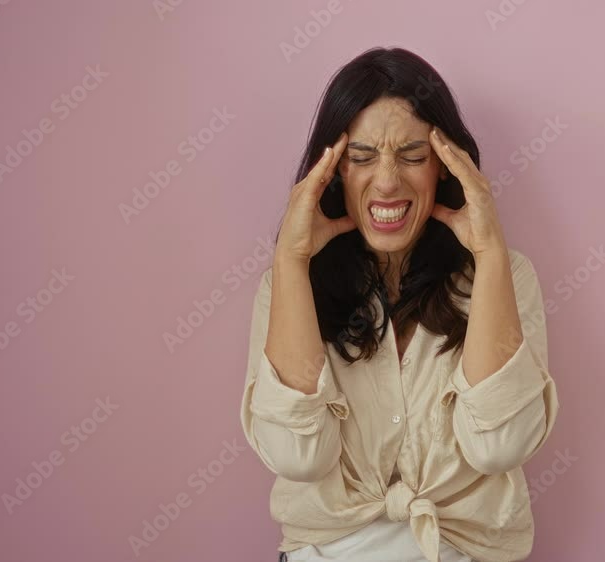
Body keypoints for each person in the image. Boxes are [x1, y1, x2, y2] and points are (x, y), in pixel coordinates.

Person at [240, 46, 560, 562]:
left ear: (444, 168)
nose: (387, 180)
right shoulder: (289, 285)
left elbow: (499, 447)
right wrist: (291, 260)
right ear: (333, 172)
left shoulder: (505, 276)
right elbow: (295, 455)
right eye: (361, 157)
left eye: (413, 156)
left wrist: (490, 252)